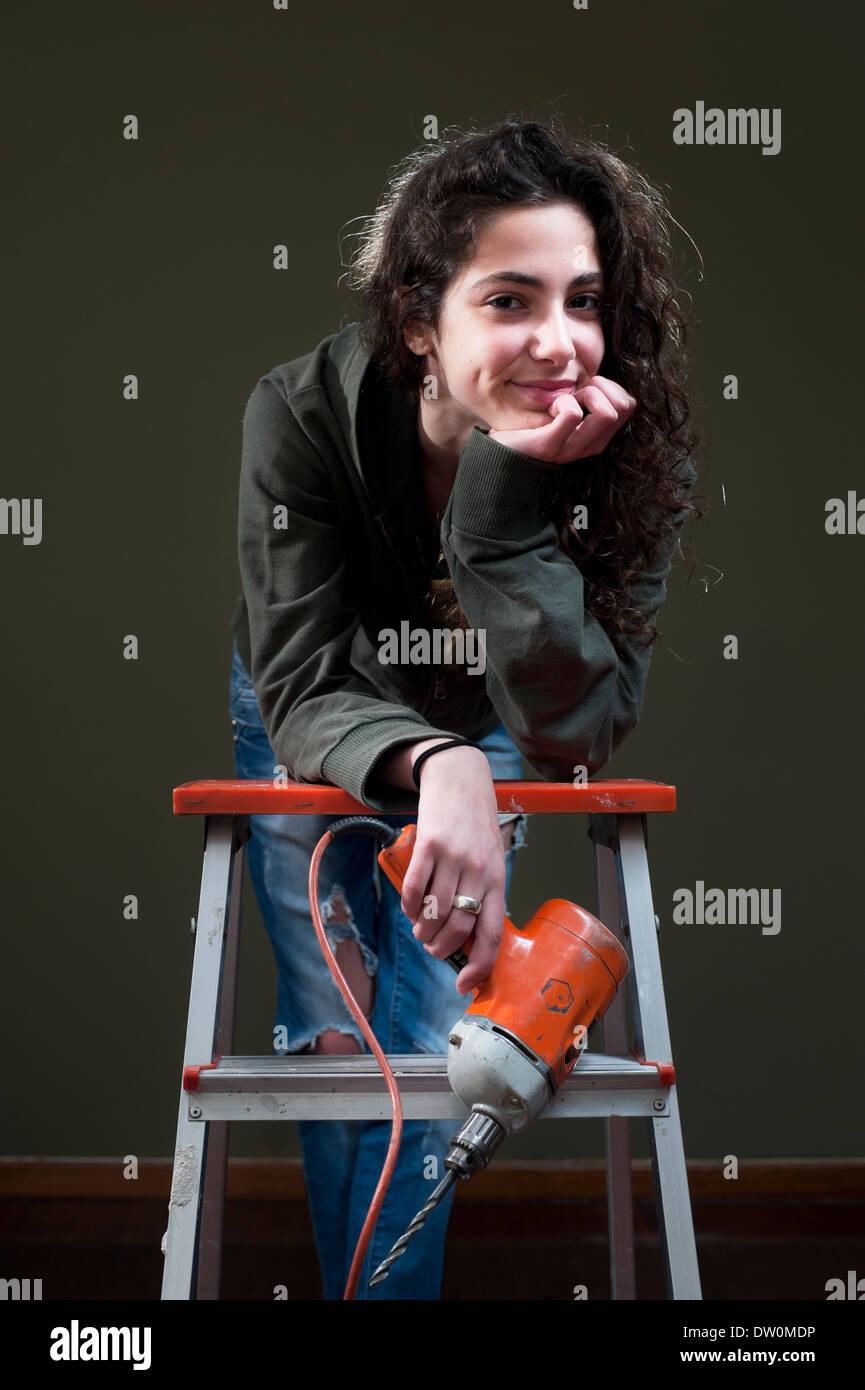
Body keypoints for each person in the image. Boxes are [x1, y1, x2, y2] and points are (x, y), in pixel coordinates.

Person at [229, 115, 703, 1300]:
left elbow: (579, 727)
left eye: (583, 300)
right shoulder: (294, 415)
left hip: (493, 722)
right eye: (508, 300)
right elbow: (296, 670)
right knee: (341, 1042)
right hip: (313, 708)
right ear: (414, 322)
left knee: (445, 1034)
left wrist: (498, 502)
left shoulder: (631, 455)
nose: (559, 342)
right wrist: (434, 759)